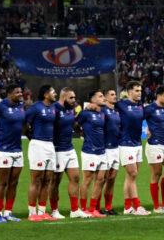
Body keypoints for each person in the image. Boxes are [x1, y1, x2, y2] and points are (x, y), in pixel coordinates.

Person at [0, 84, 25, 223]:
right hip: (3, 149)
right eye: (17, 92)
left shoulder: (21, 107)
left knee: (14, 183)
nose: (20, 94)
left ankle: (8, 212)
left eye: (21, 91)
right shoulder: (0, 106)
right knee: (3, 183)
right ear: (10, 94)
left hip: (17, 149)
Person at [25, 85, 58, 221]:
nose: (55, 94)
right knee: (37, 179)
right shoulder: (36, 107)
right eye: (53, 92)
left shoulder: (54, 107)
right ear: (45, 94)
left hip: (50, 145)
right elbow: (25, 124)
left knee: (47, 179)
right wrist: (32, 138)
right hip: (38, 145)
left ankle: (42, 211)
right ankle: (32, 212)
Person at [118, 81, 150, 215]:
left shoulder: (140, 105)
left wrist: (148, 127)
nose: (139, 93)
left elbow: (147, 117)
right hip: (126, 144)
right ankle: (137, 207)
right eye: (137, 91)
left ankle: (127, 207)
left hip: (137, 144)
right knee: (132, 174)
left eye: (140, 91)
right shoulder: (121, 105)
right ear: (129, 91)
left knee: (131, 177)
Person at [75, 91, 107, 218]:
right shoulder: (85, 113)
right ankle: (84, 209)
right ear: (93, 100)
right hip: (89, 151)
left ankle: (93, 209)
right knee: (87, 180)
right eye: (100, 96)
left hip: (102, 151)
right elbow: (74, 123)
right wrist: (81, 133)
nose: (103, 98)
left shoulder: (102, 113)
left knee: (100, 180)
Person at [49, 88, 80, 219]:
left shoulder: (71, 109)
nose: (74, 100)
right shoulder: (54, 109)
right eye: (71, 98)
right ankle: (54, 210)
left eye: (74, 98)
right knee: (56, 181)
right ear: (63, 97)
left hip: (69, 148)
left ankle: (75, 210)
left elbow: (73, 124)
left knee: (75, 178)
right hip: (57, 150)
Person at [100, 88, 122, 215]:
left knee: (112, 178)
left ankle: (108, 207)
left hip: (115, 147)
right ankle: (97, 207)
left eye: (115, 94)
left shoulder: (116, 111)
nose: (115, 96)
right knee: (102, 179)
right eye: (112, 95)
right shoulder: (102, 110)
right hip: (106, 148)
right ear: (106, 97)